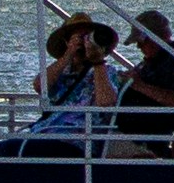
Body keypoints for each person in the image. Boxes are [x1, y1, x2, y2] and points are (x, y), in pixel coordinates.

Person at [114, 8, 174, 154]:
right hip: (132, 132)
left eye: (141, 42)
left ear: (155, 38)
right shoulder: (154, 61)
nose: (139, 46)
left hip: (147, 138)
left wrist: (139, 85)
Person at [29, 14, 118, 150]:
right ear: (67, 41)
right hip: (45, 132)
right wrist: (68, 54)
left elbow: (106, 103)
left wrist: (97, 61)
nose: (84, 42)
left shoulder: (106, 72)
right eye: (79, 37)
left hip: (78, 140)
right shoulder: (60, 72)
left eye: (88, 37)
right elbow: (39, 86)